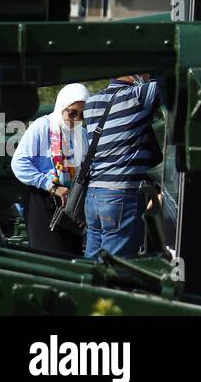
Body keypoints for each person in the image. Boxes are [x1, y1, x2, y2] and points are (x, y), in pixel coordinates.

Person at [82, 73, 162, 259]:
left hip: (94, 195)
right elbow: (167, 79)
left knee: (92, 267)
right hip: (120, 197)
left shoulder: (93, 102)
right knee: (114, 271)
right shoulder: (139, 95)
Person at [11, 83, 90, 256]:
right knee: (49, 256)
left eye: (82, 115)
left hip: (71, 205)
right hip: (43, 200)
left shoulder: (82, 135)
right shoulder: (43, 126)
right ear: (62, 106)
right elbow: (19, 163)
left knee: (72, 256)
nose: (77, 119)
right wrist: (51, 186)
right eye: (72, 113)